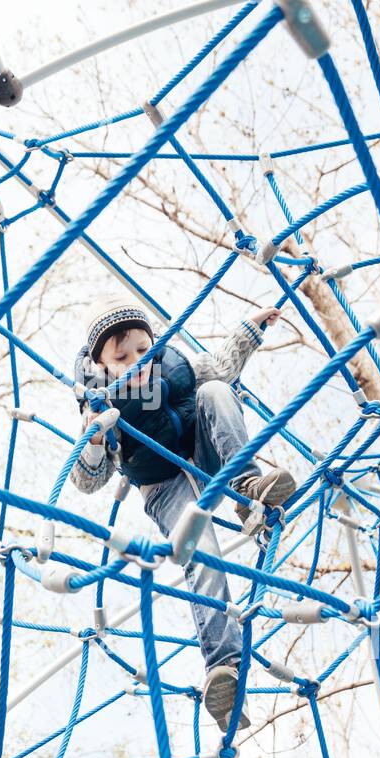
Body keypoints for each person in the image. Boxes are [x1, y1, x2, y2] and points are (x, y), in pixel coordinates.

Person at [69, 296, 296, 732]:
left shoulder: (175, 370)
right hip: (165, 487)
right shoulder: (103, 406)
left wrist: (250, 328)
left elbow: (224, 365)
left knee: (215, 390)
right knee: (201, 552)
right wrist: (95, 437)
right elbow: (88, 480)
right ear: (102, 367)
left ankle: (249, 488)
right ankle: (224, 668)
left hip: (207, 455)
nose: (138, 362)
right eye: (122, 356)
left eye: (144, 350)